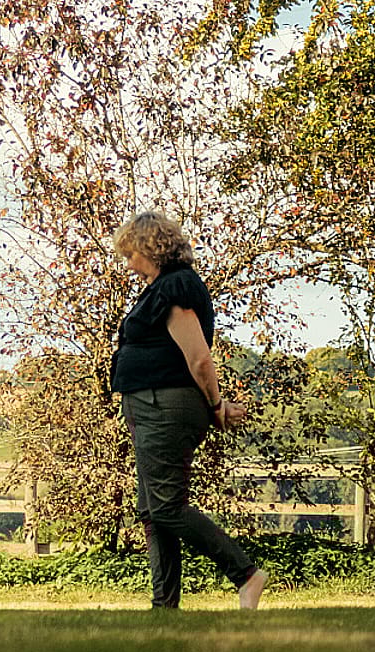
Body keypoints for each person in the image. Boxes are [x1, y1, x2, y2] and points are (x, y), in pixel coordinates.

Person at [110, 211, 268, 610]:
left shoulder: (176, 287)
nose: (128, 264)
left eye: (131, 254)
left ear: (150, 248)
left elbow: (199, 358)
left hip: (165, 403)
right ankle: (165, 606)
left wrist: (217, 405)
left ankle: (246, 574)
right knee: (151, 509)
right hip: (149, 403)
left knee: (165, 506)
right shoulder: (162, 286)